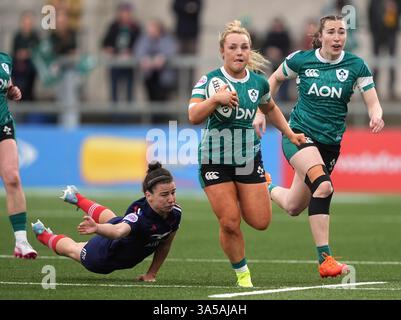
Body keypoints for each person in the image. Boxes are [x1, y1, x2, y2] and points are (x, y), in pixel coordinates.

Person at [253, 15, 385, 278]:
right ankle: (325, 260)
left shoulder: (356, 65)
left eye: (342, 32)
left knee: (292, 206)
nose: (337, 37)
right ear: (320, 36)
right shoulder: (301, 60)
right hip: (299, 135)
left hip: (330, 145)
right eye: (332, 32)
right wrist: (260, 110)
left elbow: (372, 99)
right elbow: (275, 79)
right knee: (324, 187)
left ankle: (263, 184)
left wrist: (376, 113)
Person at [188, 20, 305, 287]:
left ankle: (265, 183)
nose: (239, 52)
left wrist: (289, 134)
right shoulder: (209, 81)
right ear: (223, 51)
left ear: (249, 51)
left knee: (261, 222)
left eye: (244, 47)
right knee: (230, 221)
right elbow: (193, 115)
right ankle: (243, 274)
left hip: (248, 160)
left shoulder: (259, 83)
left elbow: (271, 108)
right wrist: (215, 100)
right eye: (233, 47)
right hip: (214, 160)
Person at [32, 162, 181, 280]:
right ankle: (44, 236)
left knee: (113, 219)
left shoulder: (175, 212)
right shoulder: (138, 219)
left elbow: (165, 244)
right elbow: (117, 231)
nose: (171, 199)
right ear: (148, 196)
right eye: (164, 195)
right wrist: (96, 228)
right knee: (74, 248)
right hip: (105, 255)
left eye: (173, 192)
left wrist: (151, 274)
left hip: (122, 234)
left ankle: (77, 198)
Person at [0, 52, 37, 259]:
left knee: (12, 177)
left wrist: (13, 91)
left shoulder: (4, 60)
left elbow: (7, 86)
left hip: (3, 124)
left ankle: (21, 242)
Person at [102, 2, 141, 103]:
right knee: (114, 90)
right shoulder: (114, 26)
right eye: (123, 12)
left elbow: (140, 43)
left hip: (129, 63)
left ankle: (129, 116)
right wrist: (110, 49)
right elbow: (105, 42)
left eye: (127, 12)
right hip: (116, 62)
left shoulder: (135, 27)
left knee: (129, 90)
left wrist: (132, 51)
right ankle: (115, 116)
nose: (126, 15)